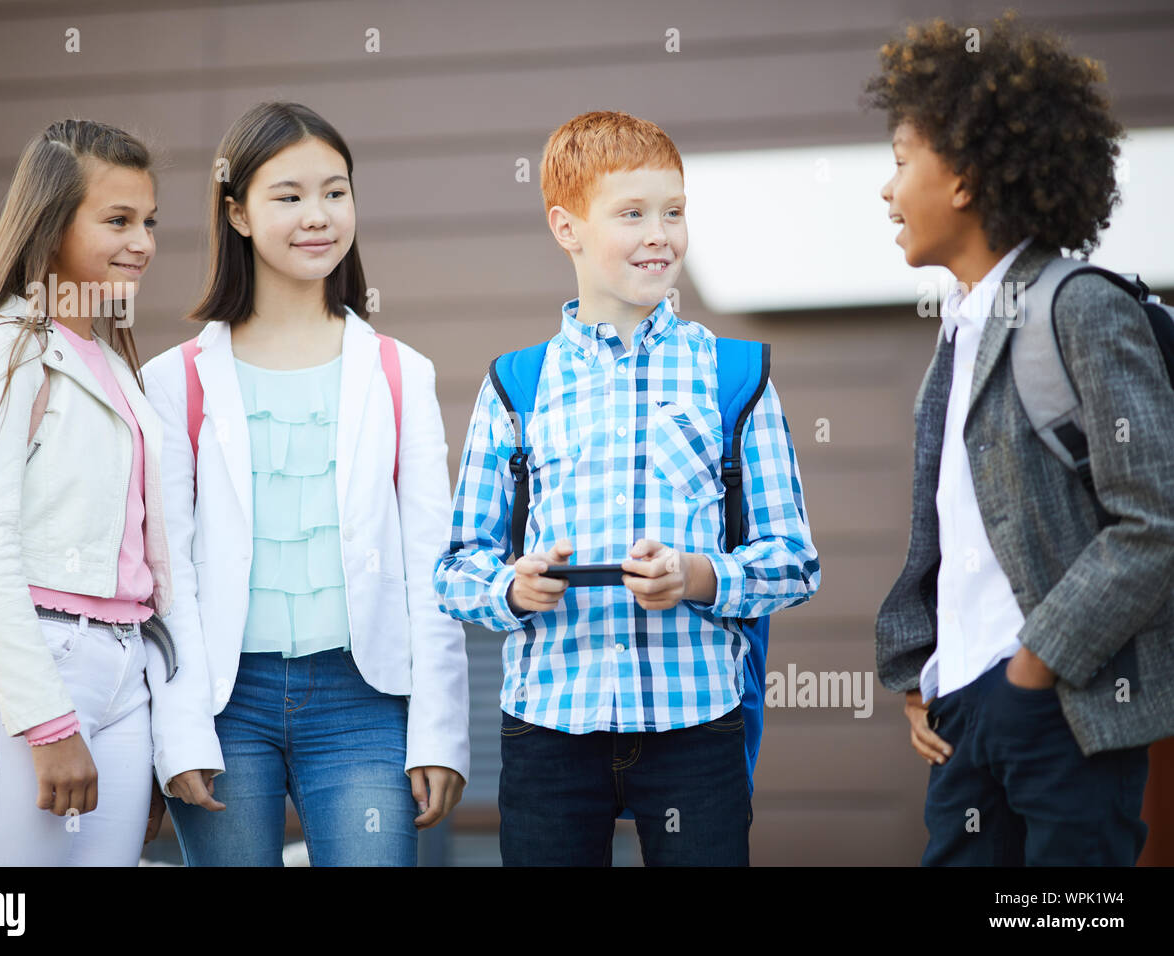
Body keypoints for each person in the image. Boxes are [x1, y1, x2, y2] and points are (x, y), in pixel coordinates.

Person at [433, 110, 819, 866]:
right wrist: (513, 587)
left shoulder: (732, 377)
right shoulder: (517, 383)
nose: (661, 234)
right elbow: (456, 570)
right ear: (567, 227)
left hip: (694, 724)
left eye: (674, 212)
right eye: (632, 213)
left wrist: (699, 575)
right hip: (547, 725)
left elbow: (794, 560)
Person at [868, 14, 1174, 865]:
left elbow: (1155, 520)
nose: (886, 191)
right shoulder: (955, 333)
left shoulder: (1080, 307)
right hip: (965, 714)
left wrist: (1034, 668)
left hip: (1059, 707)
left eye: (900, 160)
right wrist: (928, 676)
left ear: (963, 177)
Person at [0, 119, 215, 865]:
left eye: (150, 221)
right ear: (52, 226)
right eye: (118, 220)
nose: (144, 242)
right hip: (28, 666)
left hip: (125, 668)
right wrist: (47, 722)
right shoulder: (0, 348)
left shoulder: (116, 367)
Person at [142, 102, 469, 866]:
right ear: (238, 213)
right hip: (226, 709)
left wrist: (439, 734)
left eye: (335, 191)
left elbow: (433, 564)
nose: (317, 216)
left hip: (364, 705)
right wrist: (180, 727)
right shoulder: (173, 381)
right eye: (288, 196)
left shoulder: (399, 372)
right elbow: (169, 578)